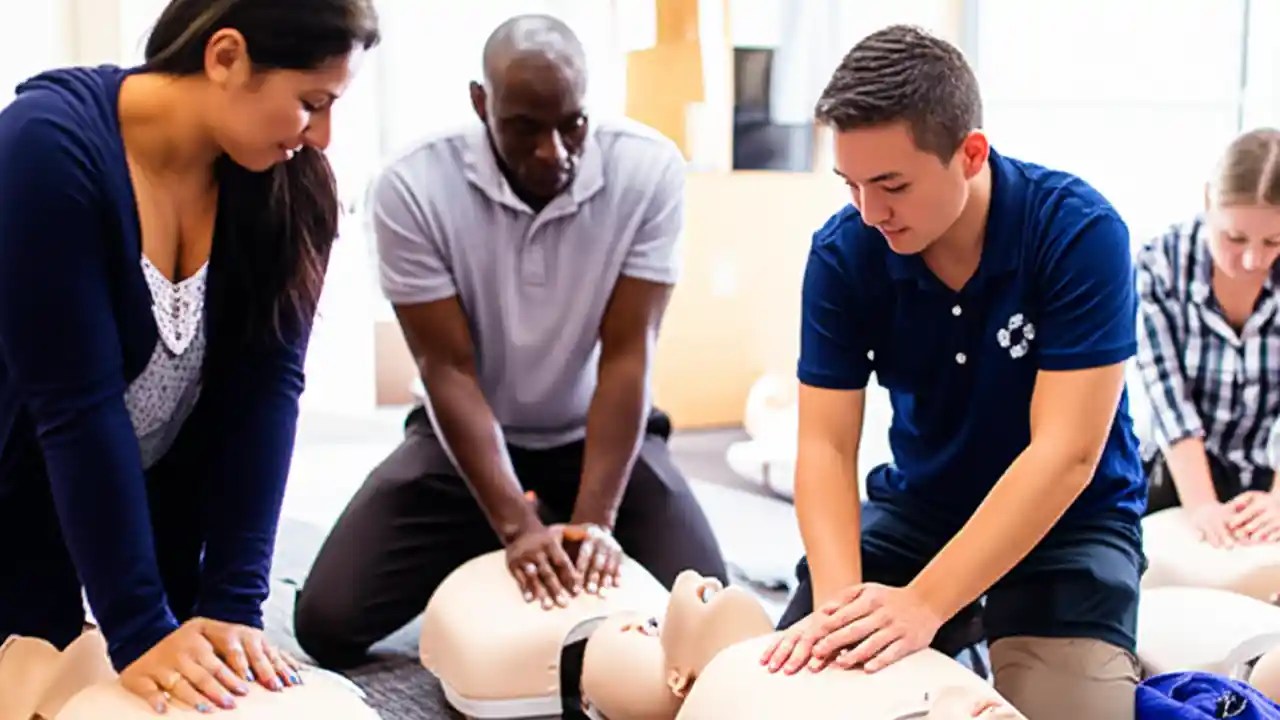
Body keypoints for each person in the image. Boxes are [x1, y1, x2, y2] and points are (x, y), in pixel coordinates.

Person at [293, 14, 727, 668]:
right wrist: (515, 526)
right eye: (525, 126)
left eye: (572, 124)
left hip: (597, 435)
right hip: (461, 437)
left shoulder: (650, 170)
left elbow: (629, 352)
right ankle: (507, 522)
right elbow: (446, 367)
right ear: (481, 103)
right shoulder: (411, 186)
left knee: (710, 619)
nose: (554, 151)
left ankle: (553, 514)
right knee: (326, 622)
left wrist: (594, 524)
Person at [757, 25, 1146, 720]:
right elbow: (825, 446)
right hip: (922, 509)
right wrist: (845, 609)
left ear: (970, 154)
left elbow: (1067, 454)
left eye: (892, 185)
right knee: (794, 693)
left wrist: (924, 605)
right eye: (850, 185)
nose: (869, 212)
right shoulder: (844, 253)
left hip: (1069, 523)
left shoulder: (1080, 233)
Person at [0, 0, 379, 714]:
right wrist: (140, 630)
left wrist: (235, 604)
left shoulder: (286, 182)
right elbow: (74, 410)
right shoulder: (42, 149)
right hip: (21, 498)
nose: (323, 136)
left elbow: (269, 390)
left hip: (151, 507)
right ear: (226, 56)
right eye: (311, 103)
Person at [1135, 128, 1280, 548]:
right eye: (1235, 238)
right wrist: (1202, 506)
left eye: (1274, 241)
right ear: (1207, 202)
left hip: (1269, 461)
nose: (1254, 260)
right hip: (1182, 462)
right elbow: (1167, 395)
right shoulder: (1159, 264)